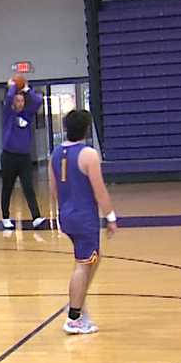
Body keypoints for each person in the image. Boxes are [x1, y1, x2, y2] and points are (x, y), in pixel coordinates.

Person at [48, 109, 118, 335]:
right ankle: (74, 317)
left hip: (66, 214)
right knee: (83, 264)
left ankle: (78, 303)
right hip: (84, 216)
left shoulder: (55, 153)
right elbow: (100, 190)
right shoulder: (88, 154)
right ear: (87, 129)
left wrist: (63, 211)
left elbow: (53, 188)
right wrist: (110, 216)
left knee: (93, 260)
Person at [0, 75, 47, 230]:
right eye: (17, 100)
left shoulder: (27, 114)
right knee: (7, 187)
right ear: (13, 103)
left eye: (22, 100)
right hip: (9, 156)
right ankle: (5, 217)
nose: (20, 103)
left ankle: (36, 217)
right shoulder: (8, 113)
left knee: (28, 187)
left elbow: (38, 101)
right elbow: (8, 97)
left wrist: (26, 88)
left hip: (24, 157)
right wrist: (13, 85)